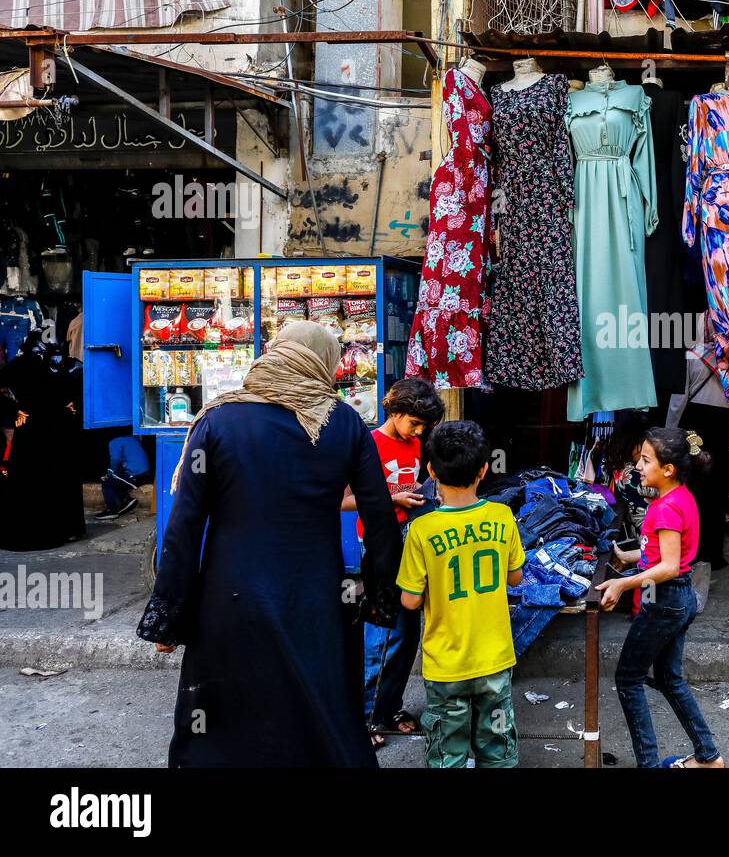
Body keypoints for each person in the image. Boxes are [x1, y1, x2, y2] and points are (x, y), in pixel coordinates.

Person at [136, 321, 404, 767]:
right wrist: (380, 600)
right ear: (325, 362)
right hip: (317, 595)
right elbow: (380, 521)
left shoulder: (218, 420)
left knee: (227, 719)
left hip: (230, 597)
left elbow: (184, 529)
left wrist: (171, 615)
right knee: (322, 709)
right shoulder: (344, 424)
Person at [397, 420, 525, 768]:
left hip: (446, 666)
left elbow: (409, 601)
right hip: (494, 661)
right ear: (484, 470)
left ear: (430, 471)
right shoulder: (503, 516)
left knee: (447, 754)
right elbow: (515, 578)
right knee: (497, 749)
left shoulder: (420, 530)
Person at [597, 427, 725, 768]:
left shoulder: (665, 508)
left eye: (645, 459)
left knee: (628, 679)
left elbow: (668, 566)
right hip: (680, 599)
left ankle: (649, 764)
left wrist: (624, 584)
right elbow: (667, 555)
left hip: (665, 600)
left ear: (667, 469)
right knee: (670, 679)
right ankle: (709, 758)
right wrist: (628, 559)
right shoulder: (681, 496)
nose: (638, 465)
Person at [342, 377, 445, 747]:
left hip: (410, 542)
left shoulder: (416, 443)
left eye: (422, 426)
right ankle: (367, 716)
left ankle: (389, 707)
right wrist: (394, 498)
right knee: (382, 630)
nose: (418, 431)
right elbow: (342, 499)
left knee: (407, 633)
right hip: (381, 545)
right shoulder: (368, 444)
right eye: (414, 423)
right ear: (396, 411)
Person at [0, 329, 83, 550]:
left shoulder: (22, 366)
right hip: (49, 432)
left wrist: (15, 411)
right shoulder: (53, 369)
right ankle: (54, 530)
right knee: (48, 480)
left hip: (33, 432)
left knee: (30, 481)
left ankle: (30, 530)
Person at [95, 435, 151, 521]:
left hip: (137, 476)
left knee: (107, 484)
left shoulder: (114, 442)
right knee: (117, 480)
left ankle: (112, 511)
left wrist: (109, 474)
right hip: (145, 474)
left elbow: (115, 460)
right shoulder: (132, 439)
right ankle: (126, 500)